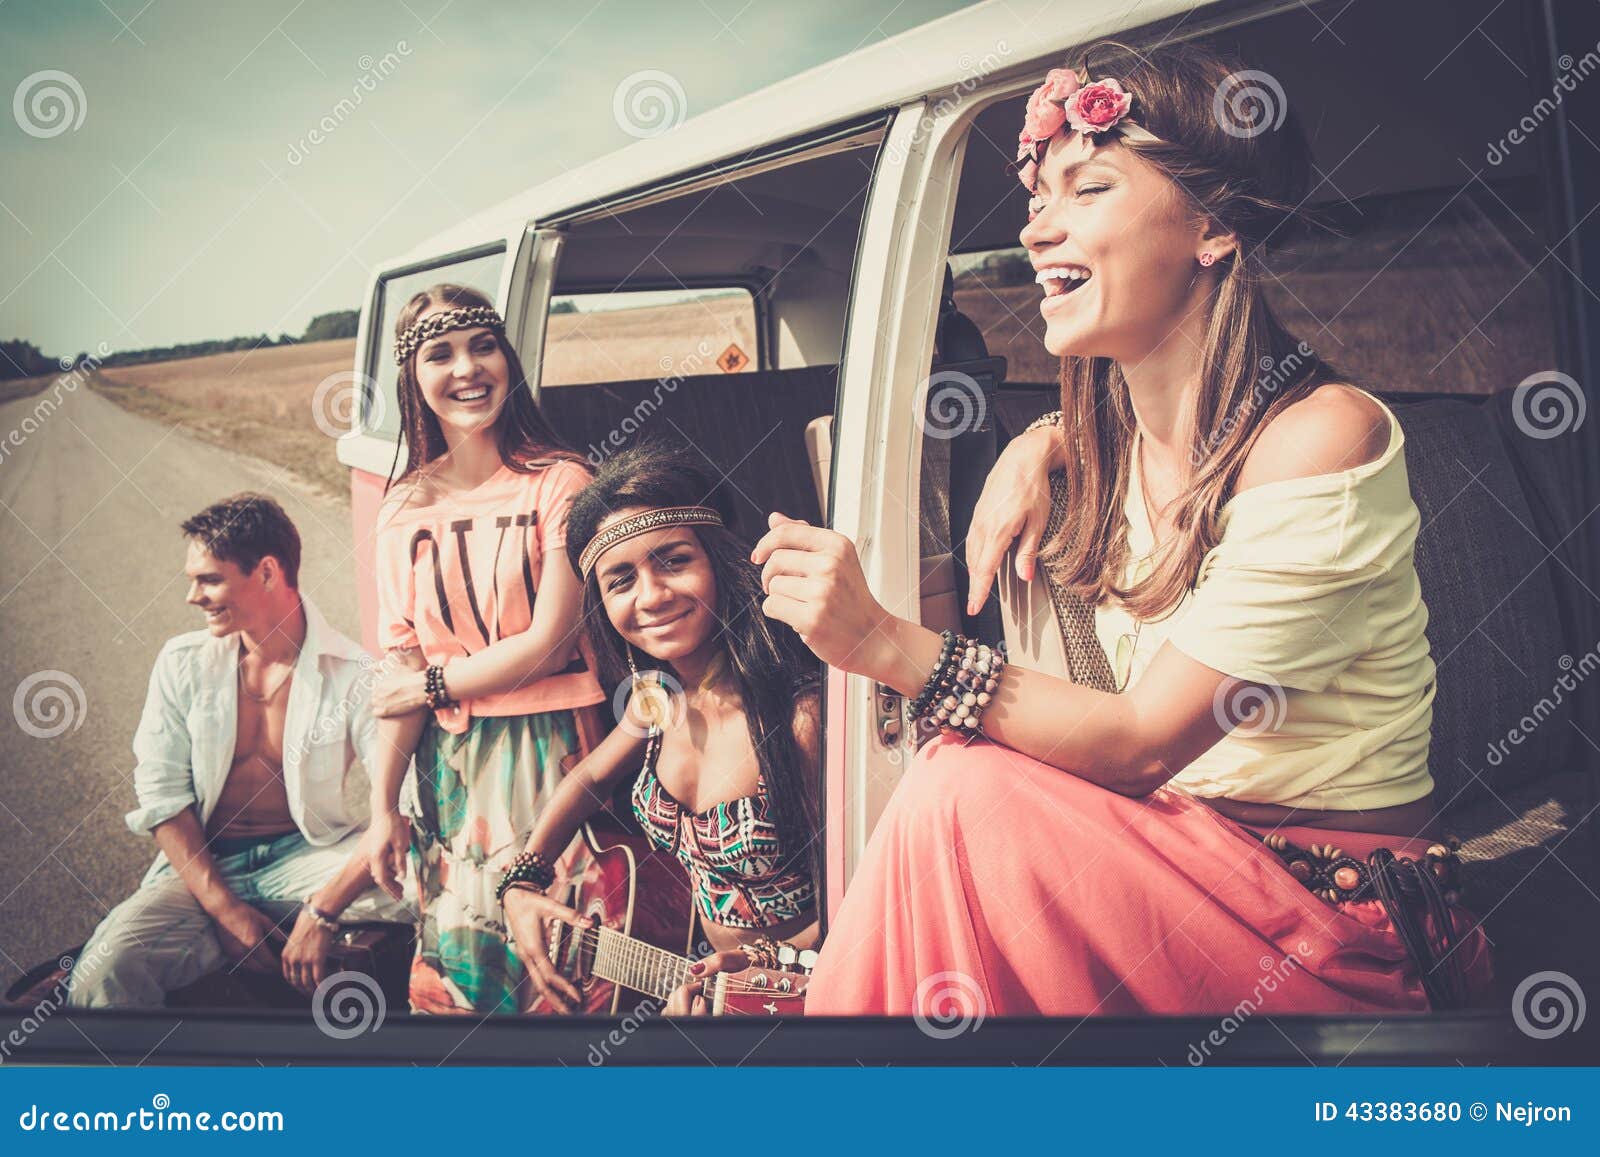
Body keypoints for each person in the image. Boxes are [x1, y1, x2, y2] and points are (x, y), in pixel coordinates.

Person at [753, 43, 1494, 1017]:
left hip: (1339, 920)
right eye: (1035, 199)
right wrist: (1044, 438)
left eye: (1087, 187)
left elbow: (1142, 743)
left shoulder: (1324, 437)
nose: (1036, 228)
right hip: (1184, 864)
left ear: (1213, 228)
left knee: (957, 791)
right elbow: (1148, 429)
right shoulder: (1106, 449)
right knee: (958, 790)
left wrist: (881, 642)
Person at [498, 443, 822, 1016]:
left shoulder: (800, 716)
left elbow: (875, 888)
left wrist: (774, 969)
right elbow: (591, 777)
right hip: (713, 997)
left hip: (816, 1000)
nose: (651, 596)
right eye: (621, 580)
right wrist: (523, 882)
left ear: (719, 561)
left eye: (673, 561)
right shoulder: (656, 700)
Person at [362, 284, 607, 1015]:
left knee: (565, 973)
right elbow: (398, 672)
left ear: (508, 357)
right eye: (440, 353)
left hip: (553, 757)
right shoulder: (403, 505)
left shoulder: (561, 481)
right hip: (452, 778)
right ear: (414, 376)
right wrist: (381, 806)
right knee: (464, 984)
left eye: (483, 345)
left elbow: (552, 638)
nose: (467, 368)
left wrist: (432, 684)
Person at [66, 494, 412, 1008]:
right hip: (203, 868)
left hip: (306, 858)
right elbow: (163, 797)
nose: (193, 596)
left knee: (431, 886)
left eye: (209, 579)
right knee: (105, 973)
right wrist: (227, 912)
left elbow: (401, 810)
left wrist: (321, 912)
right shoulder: (181, 663)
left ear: (268, 572)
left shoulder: (355, 675)